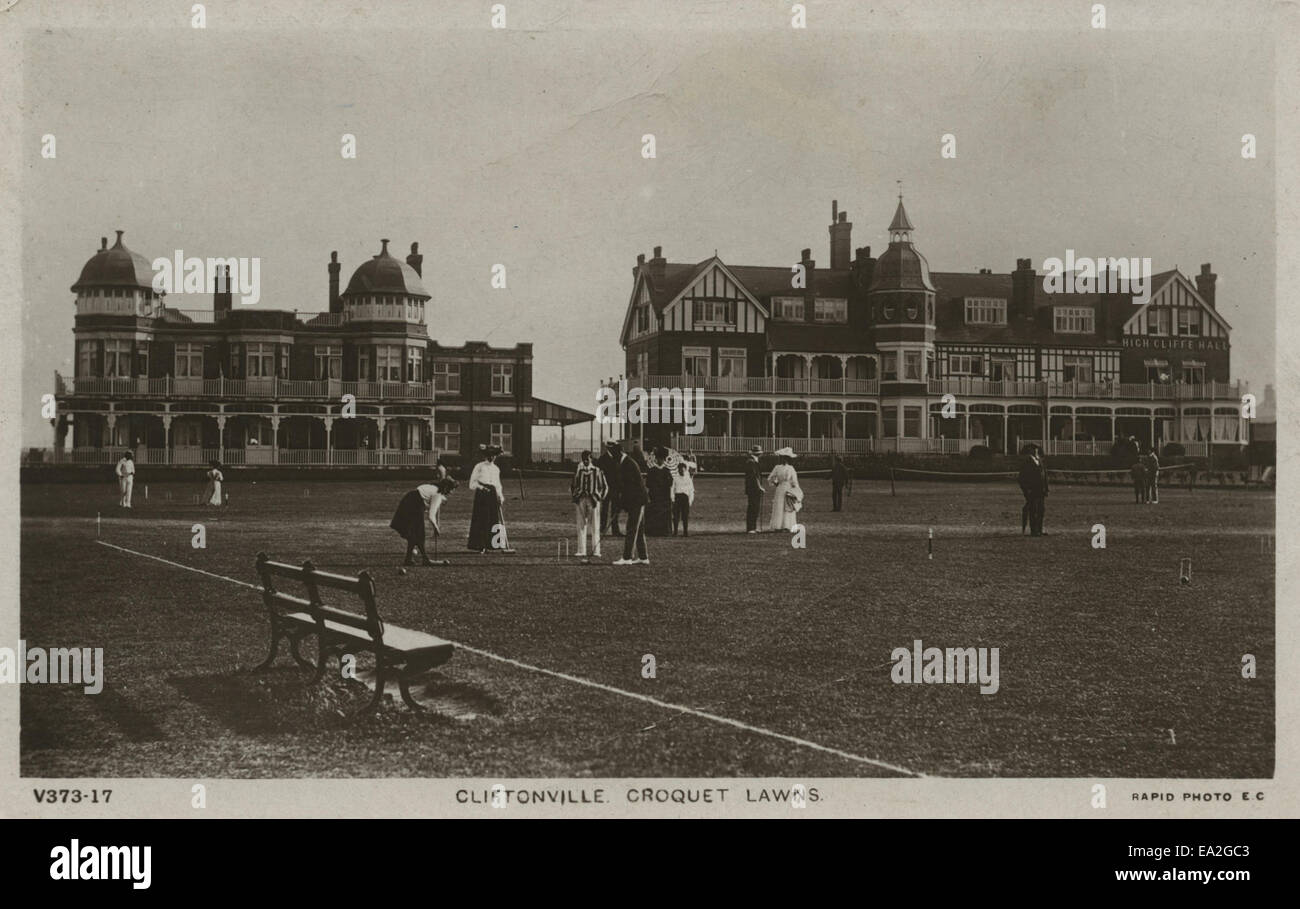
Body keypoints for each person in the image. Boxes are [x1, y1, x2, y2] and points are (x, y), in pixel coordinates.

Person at [390, 477, 456, 565]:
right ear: (446, 488)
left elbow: (423, 493)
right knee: (418, 534)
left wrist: (440, 499)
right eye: (451, 489)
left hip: (407, 499)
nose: (452, 492)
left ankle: (410, 559)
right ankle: (424, 559)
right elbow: (431, 515)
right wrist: (436, 527)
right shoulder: (437, 495)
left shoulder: (432, 487)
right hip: (415, 505)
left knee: (415, 534)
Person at [613, 443, 649, 565]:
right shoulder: (626, 462)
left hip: (637, 500)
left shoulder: (627, 464)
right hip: (637, 500)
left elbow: (629, 488)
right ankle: (643, 557)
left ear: (619, 454)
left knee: (631, 528)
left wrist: (622, 504)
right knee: (639, 529)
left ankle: (627, 557)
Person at [467, 445, 506, 552]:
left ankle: (493, 544)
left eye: (494, 455)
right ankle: (480, 545)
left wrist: (500, 496)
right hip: (482, 494)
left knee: (493, 518)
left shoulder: (496, 469)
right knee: (482, 519)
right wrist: (481, 488)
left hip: (493, 494)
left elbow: (498, 485)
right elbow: (472, 483)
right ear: (486, 455)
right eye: (490, 455)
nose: (492, 457)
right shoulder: (479, 466)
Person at [571, 449, 608, 558]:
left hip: (594, 501)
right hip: (581, 500)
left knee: (595, 526)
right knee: (581, 525)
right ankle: (581, 550)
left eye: (587, 459)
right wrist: (575, 496)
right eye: (584, 460)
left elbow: (604, 487)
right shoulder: (579, 470)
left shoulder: (597, 471)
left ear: (591, 459)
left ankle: (596, 551)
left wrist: (599, 497)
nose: (585, 461)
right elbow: (573, 484)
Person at [767, 447, 803, 532]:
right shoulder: (780, 468)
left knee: (786, 506)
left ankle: (784, 526)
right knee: (781, 507)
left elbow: (794, 481)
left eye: (784, 458)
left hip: (785, 489)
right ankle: (780, 526)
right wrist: (776, 483)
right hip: (782, 488)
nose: (783, 459)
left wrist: (795, 491)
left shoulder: (789, 468)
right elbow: (770, 478)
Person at [1018, 444, 1049, 536]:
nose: (1036, 451)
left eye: (1036, 449)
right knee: (1033, 510)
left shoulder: (1040, 461)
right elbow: (1022, 478)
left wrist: (1046, 488)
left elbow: (1044, 476)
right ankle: (1034, 530)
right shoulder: (1027, 462)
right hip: (1033, 490)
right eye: (1034, 449)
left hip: (1041, 490)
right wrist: (1027, 490)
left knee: (1041, 510)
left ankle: (1039, 529)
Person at [644, 447, 673, 536]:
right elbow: (648, 483)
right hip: (655, 495)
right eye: (659, 459)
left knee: (664, 513)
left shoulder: (667, 471)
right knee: (654, 512)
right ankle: (653, 531)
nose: (661, 461)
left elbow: (670, 483)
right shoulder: (652, 470)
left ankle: (664, 531)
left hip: (664, 496)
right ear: (656, 459)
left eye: (663, 459)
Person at [597, 442, 623, 536]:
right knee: (605, 509)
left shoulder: (617, 458)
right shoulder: (603, 459)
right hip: (606, 488)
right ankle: (602, 528)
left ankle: (615, 530)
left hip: (615, 488)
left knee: (615, 509)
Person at [671, 461, 695, 536]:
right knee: (676, 516)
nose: (681, 471)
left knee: (685, 516)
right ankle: (675, 532)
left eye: (683, 469)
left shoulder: (688, 479)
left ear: (685, 469)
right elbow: (672, 489)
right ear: (678, 470)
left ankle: (685, 532)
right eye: (680, 469)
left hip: (685, 498)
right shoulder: (675, 478)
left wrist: (690, 501)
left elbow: (691, 490)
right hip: (678, 497)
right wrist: (673, 499)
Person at [744, 445, 764, 533]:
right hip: (753, 488)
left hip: (754, 488)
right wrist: (759, 487)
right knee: (753, 507)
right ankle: (751, 528)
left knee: (755, 507)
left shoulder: (753, 461)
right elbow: (754, 477)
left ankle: (753, 527)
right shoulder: (751, 462)